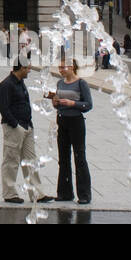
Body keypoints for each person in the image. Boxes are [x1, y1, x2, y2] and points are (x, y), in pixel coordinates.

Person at [0, 58, 52, 204]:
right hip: (14, 127)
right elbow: (4, 109)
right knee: (11, 160)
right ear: (21, 68)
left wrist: (28, 125)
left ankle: (37, 193)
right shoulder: (6, 85)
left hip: (27, 126)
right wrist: (16, 125)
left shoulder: (20, 83)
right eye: (28, 68)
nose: (30, 71)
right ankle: (9, 193)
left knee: (31, 160)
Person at [50, 58, 93, 204]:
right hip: (62, 120)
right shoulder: (60, 83)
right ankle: (64, 192)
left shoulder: (81, 83)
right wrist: (55, 102)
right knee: (63, 158)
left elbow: (88, 105)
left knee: (79, 157)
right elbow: (57, 104)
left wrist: (73, 103)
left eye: (63, 67)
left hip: (76, 121)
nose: (61, 70)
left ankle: (84, 194)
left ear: (72, 67)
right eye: (59, 67)